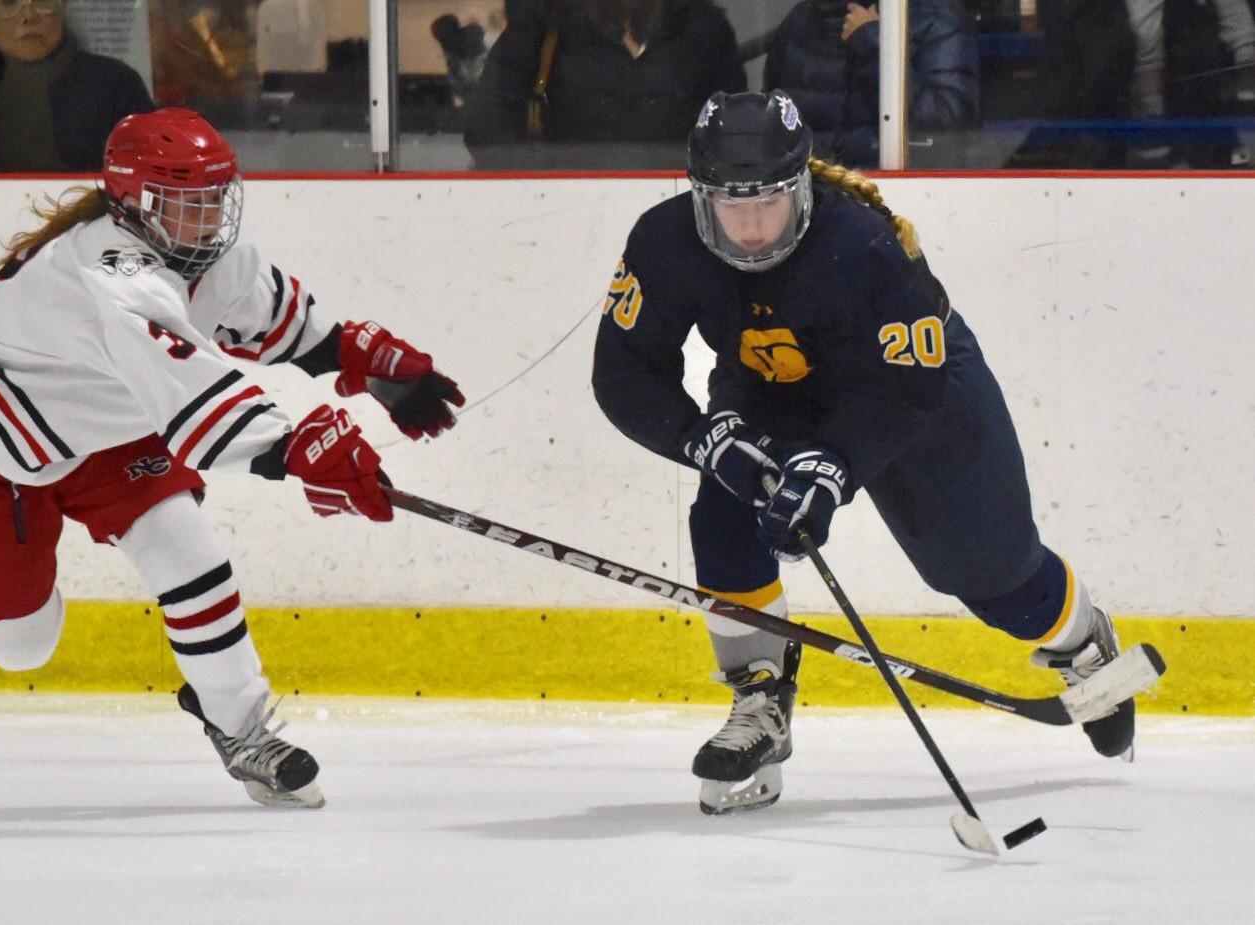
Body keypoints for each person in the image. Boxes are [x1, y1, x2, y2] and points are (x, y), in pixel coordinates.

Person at [590, 90, 1135, 816]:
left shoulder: (864, 245)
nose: (750, 229)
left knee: (986, 573)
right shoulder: (663, 242)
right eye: (730, 205)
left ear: (801, 187)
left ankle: (1080, 642)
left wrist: (835, 465)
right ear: (699, 194)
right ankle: (760, 701)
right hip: (771, 384)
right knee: (725, 508)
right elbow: (623, 371)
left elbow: (908, 383)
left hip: (916, 393)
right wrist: (701, 438)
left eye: (768, 205)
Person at [0, 108, 464, 808]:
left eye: (215, 199)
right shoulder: (112, 273)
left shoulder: (195, 251)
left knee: (191, 556)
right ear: (135, 202)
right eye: (188, 203)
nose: (210, 219)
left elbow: (279, 323)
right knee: (24, 645)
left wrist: (362, 358)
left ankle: (244, 730)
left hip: (109, 428)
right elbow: (198, 399)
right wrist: (298, 448)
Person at [463, 0, 747, 169]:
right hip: (561, 204)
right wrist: (536, 180)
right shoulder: (549, 23)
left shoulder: (705, 27)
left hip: (679, 204)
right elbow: (487, 127)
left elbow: (735, 130)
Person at [0, 0, 154, 172]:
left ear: (62, 12)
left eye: (42, 2)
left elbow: (146, 176)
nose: (28, 17)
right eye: (8, 3)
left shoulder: (113, 83)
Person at [762, 0, 978, 167]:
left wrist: (873, 45)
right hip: (813, 194)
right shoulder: (801, 21)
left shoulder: (935, 17)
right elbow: (773, 121)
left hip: (903, 195)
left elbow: (946, 126)